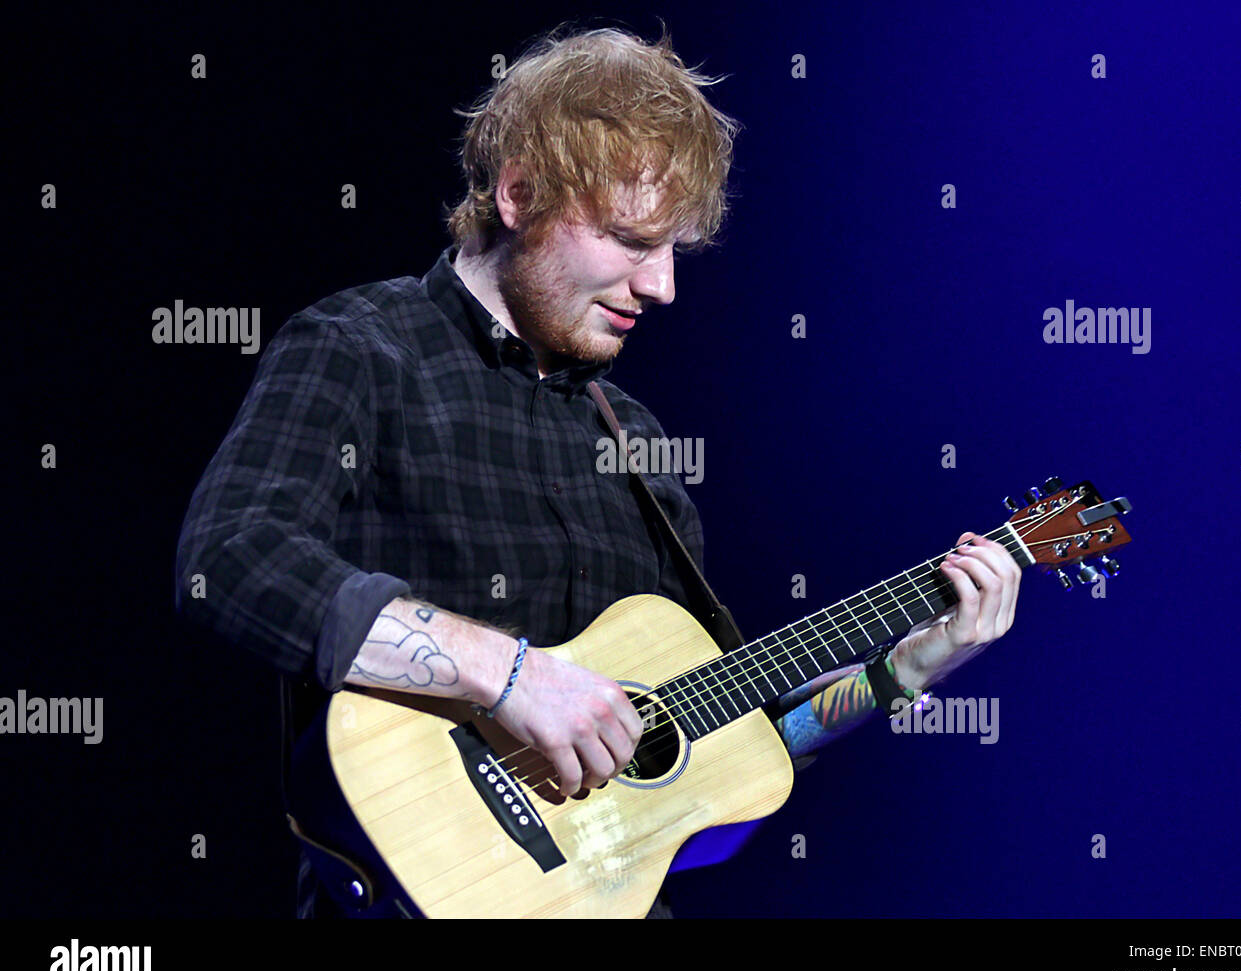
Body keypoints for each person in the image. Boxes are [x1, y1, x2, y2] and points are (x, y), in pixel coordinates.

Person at [174, 24, 1021, 919]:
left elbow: (735, 744)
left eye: (673, 251)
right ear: (519, 193)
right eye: (630, 239)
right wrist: (508, 675)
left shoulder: (637, 445)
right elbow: (229, 556)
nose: (662, 288)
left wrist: (902, 672)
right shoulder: (361, 350)